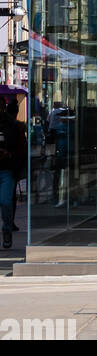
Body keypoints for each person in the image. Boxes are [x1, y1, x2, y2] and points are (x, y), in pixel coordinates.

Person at [0, 97, 27, 250]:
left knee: (6, 201)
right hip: (7, 168)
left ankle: (7, 229)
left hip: (6, 169)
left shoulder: (13, 126)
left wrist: (8, 154)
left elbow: (22, 149)